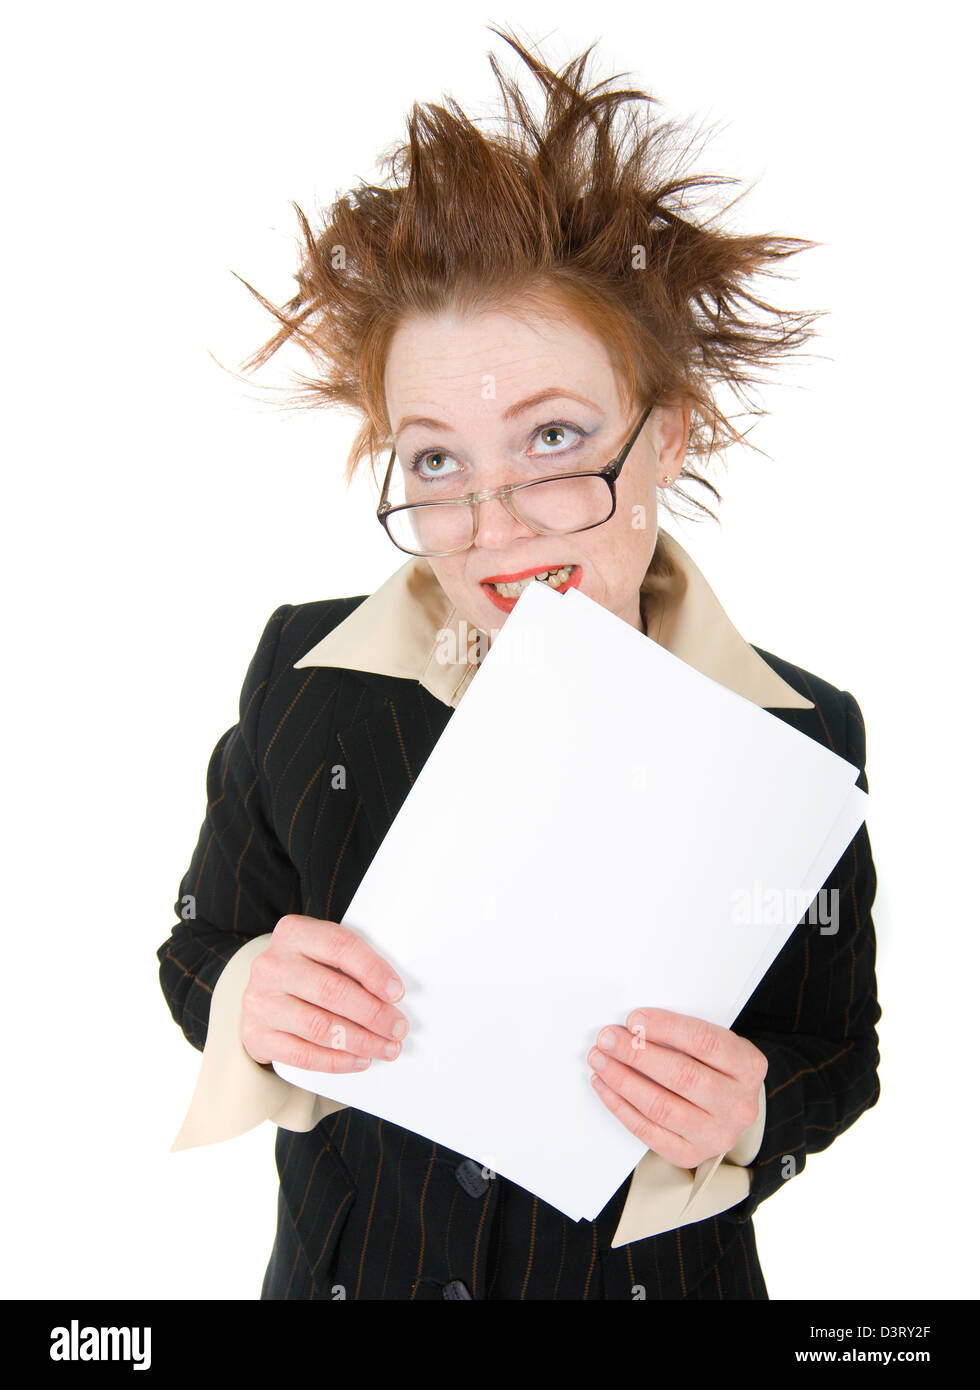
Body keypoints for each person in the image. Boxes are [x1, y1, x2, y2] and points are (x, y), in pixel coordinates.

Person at [157, 26, 880, 1300]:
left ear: (669, 436)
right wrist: (252, 996)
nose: (492, 527)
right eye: (436, 461)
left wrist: (750, 1115)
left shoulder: (800, 736)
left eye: (553, 437)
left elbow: (833, 1046)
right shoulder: (305, 680)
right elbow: (199, 947)